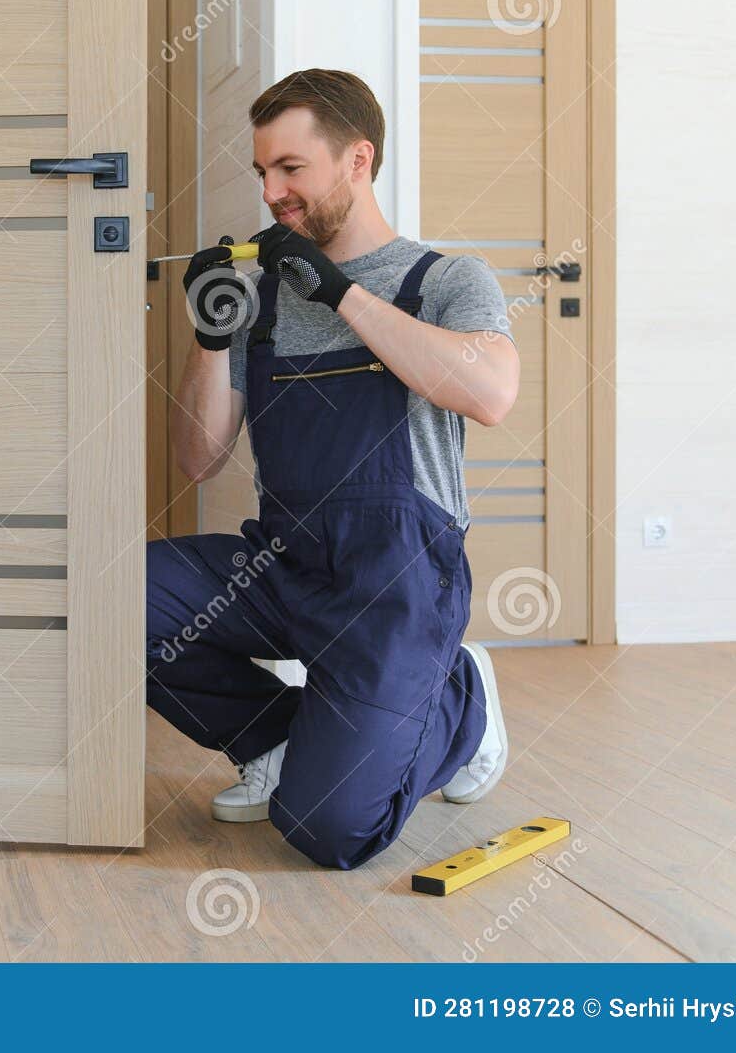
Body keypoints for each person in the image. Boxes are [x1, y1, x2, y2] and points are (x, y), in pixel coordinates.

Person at [146, 68, 520, 869]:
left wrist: (343, 294)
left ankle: (464, 701)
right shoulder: (264, 303)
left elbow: (490, 392)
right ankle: (274, 739)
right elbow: (198, 458)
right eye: (263, 173)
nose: (273, 192)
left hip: (397, 585)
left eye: (291, 169)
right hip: (283, 565)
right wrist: (215, 333)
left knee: (328, 828)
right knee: (114, 599)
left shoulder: (444, 281)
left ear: (358, 159)